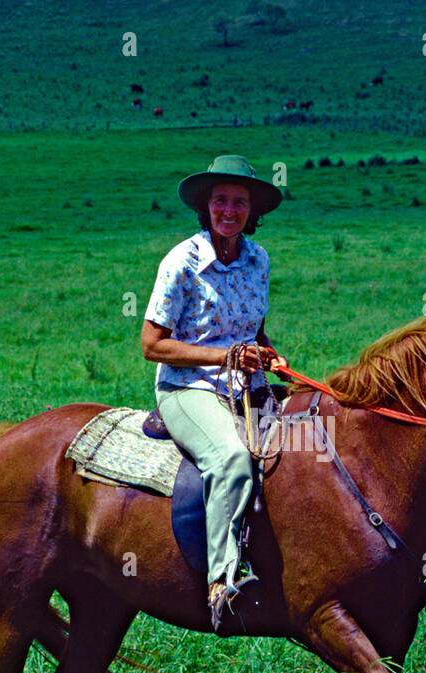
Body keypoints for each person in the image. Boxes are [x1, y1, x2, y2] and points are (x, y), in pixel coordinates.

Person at [140, 154, 287, 628]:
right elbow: (151, 345)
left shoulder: (258, 260)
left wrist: (270, 355)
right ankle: (221, 583)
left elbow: (253, 331)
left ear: (252, 210)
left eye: (239, 202)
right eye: (220, 200)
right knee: (231, 457)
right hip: (188, 389)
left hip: (248, 385)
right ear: (206, 207)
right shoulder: (181, 262)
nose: (229, 210)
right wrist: (223, 357)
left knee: (312, 444)